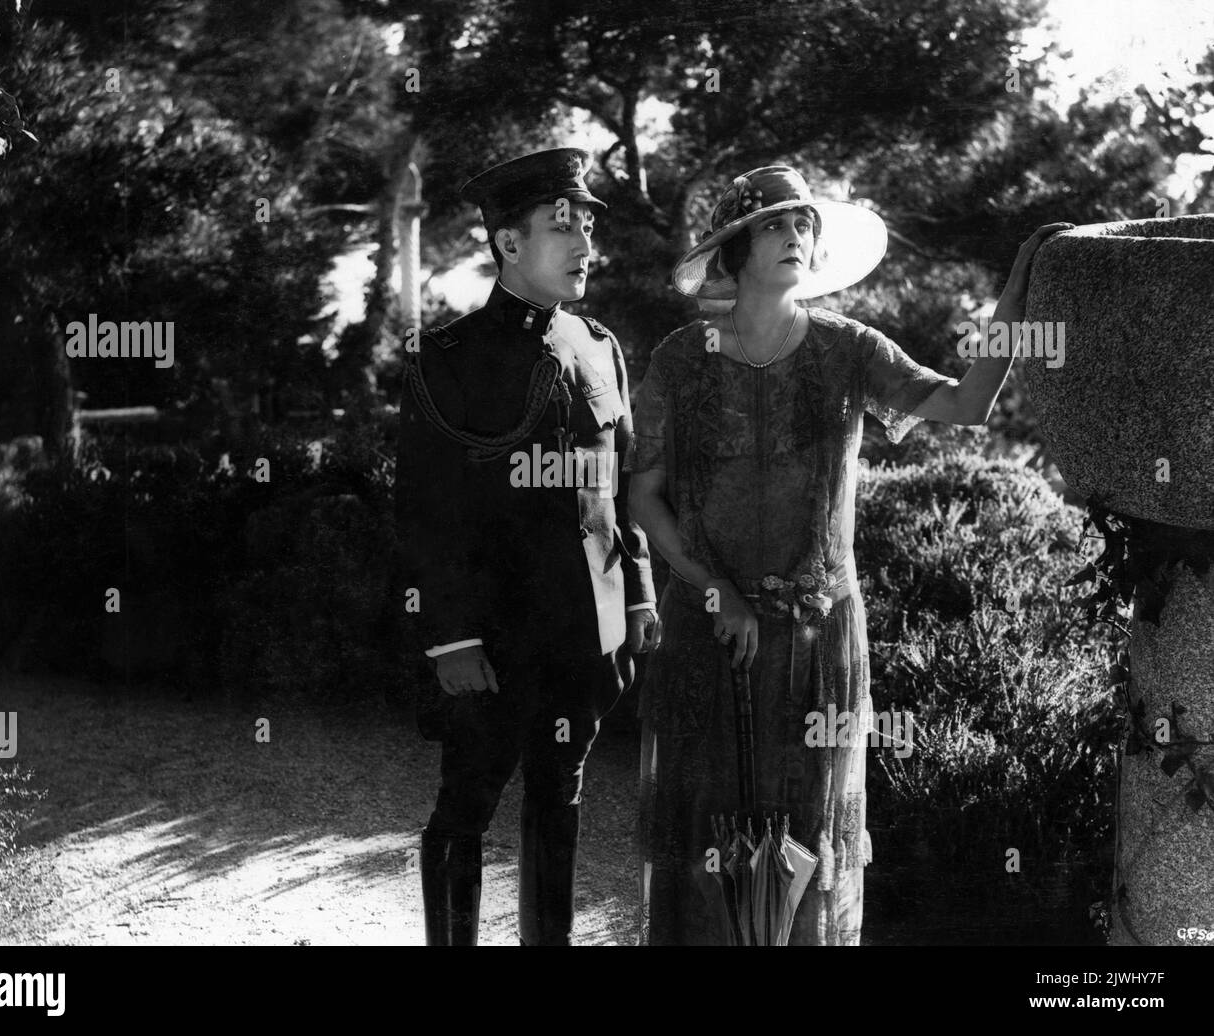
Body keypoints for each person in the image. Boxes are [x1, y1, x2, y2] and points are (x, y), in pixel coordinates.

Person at [627, 164, 1071, 945]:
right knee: (706, 839)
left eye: (804, 225)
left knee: (806, 840)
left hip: (816, 638)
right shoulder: (681, 356)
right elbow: (643, 496)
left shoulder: (850, 348)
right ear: (733, 251)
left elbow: (966, 405)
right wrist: (714, 590)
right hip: (707, 629)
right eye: (775, 224)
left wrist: (1021, 287)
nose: (796, 235)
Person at [395, 147, 659, 946]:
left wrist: (639, 594)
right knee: (465, 807)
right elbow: (426, 512)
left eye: (587, 226)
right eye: (562, 227)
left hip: (583, 630)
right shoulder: (447, 360)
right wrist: (453, 636)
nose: (585, 245)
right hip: (494, 638)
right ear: (509, 244)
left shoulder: (598, 347)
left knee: (560, 799)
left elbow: (622, 486)